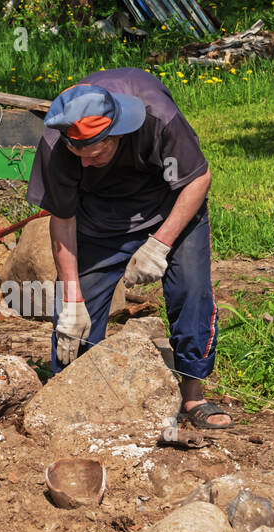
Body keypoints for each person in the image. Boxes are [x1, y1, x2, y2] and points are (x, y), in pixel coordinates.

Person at [26, 67, 231, 429]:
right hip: (99, 216)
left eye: (94, 154)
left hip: (171, 205)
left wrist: (159, 244)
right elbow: (62, 218)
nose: (84, 162)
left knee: (191, 290)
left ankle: (192, 396)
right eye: (79, 155)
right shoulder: (58, 143)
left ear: (117, 133)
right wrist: (72, 298)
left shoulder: (158, 118)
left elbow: (198, 179)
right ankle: (72, 397)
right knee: (76, 319)